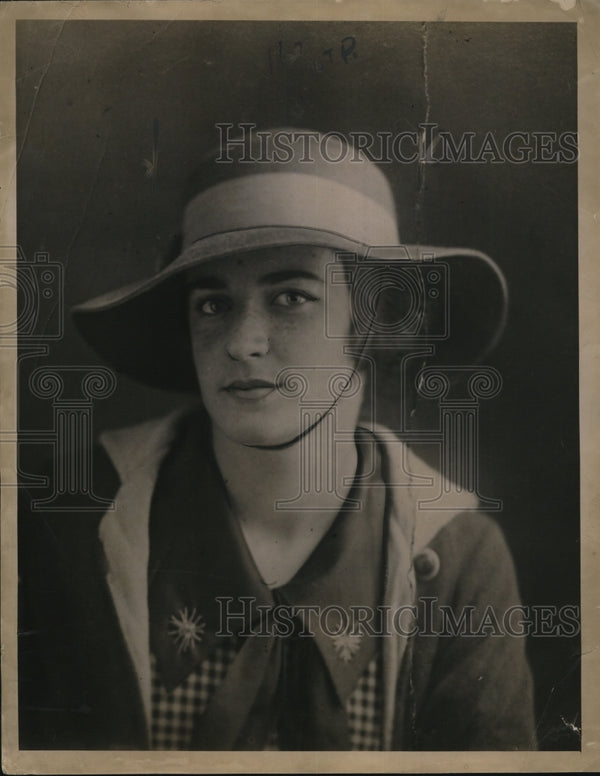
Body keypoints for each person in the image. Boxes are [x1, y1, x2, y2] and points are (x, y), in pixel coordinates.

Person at [18, 128, 536, 751]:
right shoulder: (67, 516)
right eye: (212, 305)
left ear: (375, 320)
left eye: (292, 297)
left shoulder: (457, 557)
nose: (242, 341)